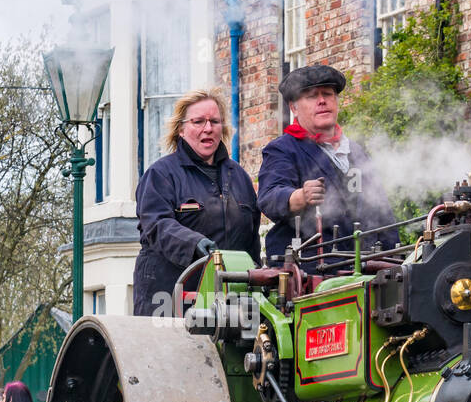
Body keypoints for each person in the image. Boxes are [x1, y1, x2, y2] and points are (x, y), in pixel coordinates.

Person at [132, 89, 261, 316]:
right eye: (198, 121)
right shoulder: (160, 175)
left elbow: (251, 245)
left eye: (214, 121)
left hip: (228, 307)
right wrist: (194, 243)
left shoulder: (239, 177)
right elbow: (156, 225)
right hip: (169, 301)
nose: (208, 128)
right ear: (181, 129)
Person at [257, 64, 398, 266]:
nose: (322, 101)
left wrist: (396, 259)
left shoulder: (357, 152)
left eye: (328, 94)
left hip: (360, 266)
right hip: (308, 269)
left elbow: (381, 212)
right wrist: (300, 196)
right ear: (293, 107)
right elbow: (269, 198)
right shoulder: (282, 149)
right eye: (312, 96)